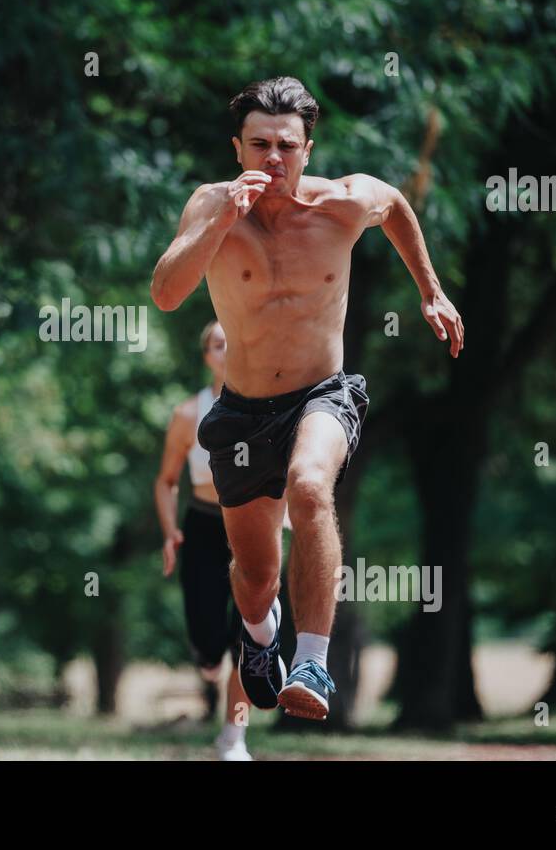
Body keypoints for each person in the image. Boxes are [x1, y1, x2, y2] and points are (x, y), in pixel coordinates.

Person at [150, 76, 464, 720]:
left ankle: (313, 664)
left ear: (308, 149)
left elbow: (397, 204)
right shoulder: (210, 205)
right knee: (256, 574)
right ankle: (260, 637)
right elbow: (166, 292)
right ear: (236, 148)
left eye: (286, 146)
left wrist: (430, 290)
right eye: (259, 144)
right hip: (238, 411)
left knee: (310, 485)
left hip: (324, 393)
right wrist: (221, 221)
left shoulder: (342, 203)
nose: (273, 158)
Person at [154, 320, 253, 760]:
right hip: (202, 524)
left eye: (233, 342)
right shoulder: (187, 414)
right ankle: (208, 658)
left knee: (251, 638)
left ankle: (234, 739)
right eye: (217, 343)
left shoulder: (267, 405)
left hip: (252, 525)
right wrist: (169, 529)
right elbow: (166, 480)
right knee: (210, 643)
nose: (226, 350)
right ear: (206, 354)